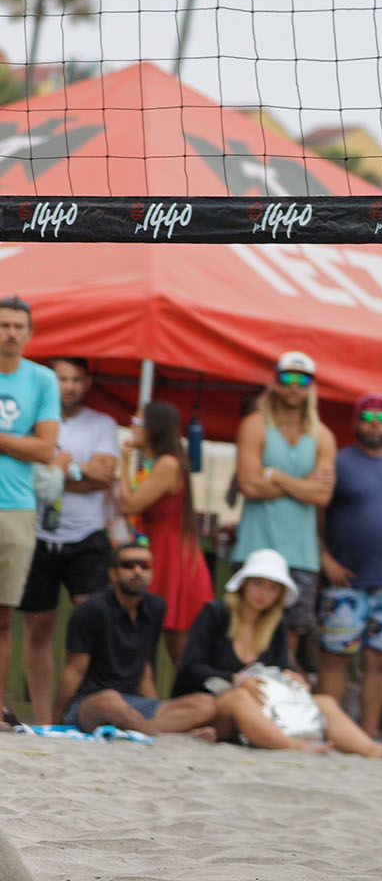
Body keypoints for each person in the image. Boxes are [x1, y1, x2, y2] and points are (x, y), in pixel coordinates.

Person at [171, 547, 382, 758]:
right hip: (213, 706)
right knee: (239, 698)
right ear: (244, 583)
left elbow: (282, 666)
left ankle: (374, 750)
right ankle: (293, 746)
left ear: (280, 593)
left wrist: (293, 677)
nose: (263, 594)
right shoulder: (215, 613)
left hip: (263, 710)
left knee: (325, 702)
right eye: (258, 583)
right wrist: (235, 680)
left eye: (272, 588)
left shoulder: (275, 623)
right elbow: (191, 668)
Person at [20, 357, 120, 724]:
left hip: (87, 536)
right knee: (38, 630)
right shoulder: (32, 421)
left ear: (87, 383)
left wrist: (57, 470)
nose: (69, 387)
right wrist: (79, 471)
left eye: (76, 379)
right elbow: (29, 478)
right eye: (62, 379)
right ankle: (44, 720)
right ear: (50, 383)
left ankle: (78, 713)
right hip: (39, 535)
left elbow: (103, 476)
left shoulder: (102, 423)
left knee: (93, 622)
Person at [317, 393, 382, 734]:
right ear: (355, 422)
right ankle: (331, 731)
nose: (375, 425)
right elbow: (316, 509)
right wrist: (324, 556)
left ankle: (368, 733)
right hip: (345, 580)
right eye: (367, 418)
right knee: (336, 656)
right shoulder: (340, 461)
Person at [232, 351, 336, 658]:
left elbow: (322, 496)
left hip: (301, 555)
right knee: (244, 630)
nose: (293, 386)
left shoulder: (322, 435)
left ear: (311, 386)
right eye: (287, 377)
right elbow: (249, 485)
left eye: (302, 380)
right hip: (255, 546)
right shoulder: (255, 425)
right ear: (275, 382)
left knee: (288, 641)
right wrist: (303, 484)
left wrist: (274, 475)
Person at [54, 539, 217, 734]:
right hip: (91, 702)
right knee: (110, 700)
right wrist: (55, 721)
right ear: (113, 573)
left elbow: (144, 669)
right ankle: (158, 732)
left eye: (145, 565)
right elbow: (74, 671)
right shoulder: (91, 610)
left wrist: (155, 706)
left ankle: (147, 729)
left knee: (205, 704)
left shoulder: (156, 607)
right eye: (128, 565)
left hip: (132, 703)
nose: (137, 571)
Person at [116, 400, 213, 668]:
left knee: (180, 652)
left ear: (153, 427)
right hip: (155, 548)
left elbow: (130, 504)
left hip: (170, 555)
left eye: (138, 422)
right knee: (141, 646)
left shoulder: (168, 464)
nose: (132, 427)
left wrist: (123, 463)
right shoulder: (152, 463)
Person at [0, 294, 60, 702]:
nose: (11, 333)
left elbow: (45, 448)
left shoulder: (42, 380)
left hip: (17, 509)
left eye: (18, 327)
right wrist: (19, 442)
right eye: (4, 325)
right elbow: (33, 444)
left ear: (29, 333)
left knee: (4, 618)